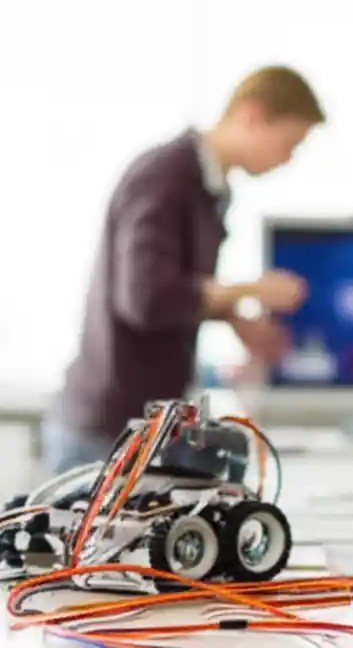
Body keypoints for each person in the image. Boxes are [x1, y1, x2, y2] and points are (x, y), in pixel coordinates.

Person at [48, 66, 324, 474]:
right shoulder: (166, 176)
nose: (287, 159)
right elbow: (145, 298)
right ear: (251, 116)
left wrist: (234, 319)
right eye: (289, 143)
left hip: (140, 425)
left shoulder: (205, 185)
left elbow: (177, 289)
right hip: (106, 429)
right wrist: (249, 290)